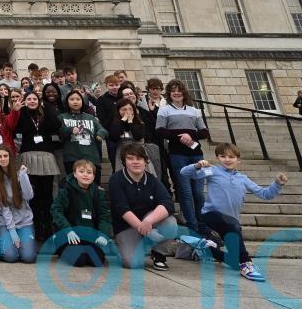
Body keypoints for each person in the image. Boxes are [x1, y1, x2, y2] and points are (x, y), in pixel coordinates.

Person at [180, 143, 288, 282]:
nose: (227, 159)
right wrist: (197, 165)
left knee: (232, 259)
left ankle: (206, 248)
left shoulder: (243, 179)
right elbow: (185, 172)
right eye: (222, 156)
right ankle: (246, 264)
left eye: (231, 157)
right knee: (238, 245)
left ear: (238, 160)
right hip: (211, 215)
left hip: (231, 223)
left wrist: (277, 184)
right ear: (218, 158)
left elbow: (265, 194)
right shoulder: (212, 171)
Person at [107, 143, 178, 270]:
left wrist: (148, 221)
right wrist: (144, 229)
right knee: (133, 263)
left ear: (145, 162)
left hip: (148, 222)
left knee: (170, 224)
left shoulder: (152, 180)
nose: (135, 162)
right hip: (126, 226)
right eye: (130, 158)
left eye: (139, 158)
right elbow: (122, 208)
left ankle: (158, 254)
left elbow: (168, 204)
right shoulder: (116, 180)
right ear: (124, 162)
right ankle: (130, 246)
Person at [156, 79, 210, 236]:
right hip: (178, 155)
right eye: (173, 90)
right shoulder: (164, 110)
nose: (176, 93)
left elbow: (204, 132)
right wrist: (179, 136)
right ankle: (192, 225)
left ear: (184, 92)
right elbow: (159, 130)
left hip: (196, 155)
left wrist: (190, 135)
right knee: (185, 194)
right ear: (169, 93)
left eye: (179, 90)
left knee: (199, 194)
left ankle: (202, 224)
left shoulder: (194, 110)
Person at [15, 91, 61, 240]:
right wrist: (18, 110)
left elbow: (56, 125)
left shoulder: (46, 113)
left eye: (35, 99)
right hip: (28, 156)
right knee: (31, 195)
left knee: (46, 194)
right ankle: (35, 226)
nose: (32, 101)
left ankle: (47, 227)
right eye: (29, 99)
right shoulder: (22, 113)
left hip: (46, 156)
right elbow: (18, 129)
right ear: (25, 101)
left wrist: (46, 106)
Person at [50, 160, 112, 267]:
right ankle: (61, 248)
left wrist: (103, 234)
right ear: (75, 173)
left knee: (96, 261)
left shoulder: (98, 193)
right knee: (79, 260)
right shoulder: (66, 191)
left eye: (89, 172)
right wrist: (67, 230)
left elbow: (104, 216)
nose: (85, 175)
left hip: (91, 236)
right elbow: (56, 210)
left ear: (93, 176)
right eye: (81, 171)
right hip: (71, 235)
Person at [0, 145, 37, 263]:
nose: (2, 159)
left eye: (5, 156)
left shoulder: (20, 173)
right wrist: (12, 231)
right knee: (10, 257)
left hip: (24, 221)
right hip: (6, 224)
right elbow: (3, 208)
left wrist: (23, 176)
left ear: (10, 157)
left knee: (28, 257)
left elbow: (28, 196)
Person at [59, 90, 107, 185]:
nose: (75, 101)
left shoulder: (90, 117)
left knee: (94, 188)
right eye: (72, 99)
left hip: (91, 157)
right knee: (73, 188)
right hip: (72, 158)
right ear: (67, 102)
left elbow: (103, 129)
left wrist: (100, 134)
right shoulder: (61, 117)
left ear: (82, 101)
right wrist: (70, 130)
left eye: (78, 99)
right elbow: (60, 133)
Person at [108, 99, 157, 176]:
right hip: (122, 154)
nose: (127, 112)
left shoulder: (140, 122)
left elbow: (138, 136)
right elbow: (113, 137)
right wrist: (123, 120)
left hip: (139, 152)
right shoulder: (116, 123)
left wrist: (130, 122)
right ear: (118, 111)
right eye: (123, 109)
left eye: (130, 109)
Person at [94, 75, 121, 168]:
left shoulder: (123, 97)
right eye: (111, 85)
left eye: (117, 85)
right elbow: (102, 118)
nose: (114, 87)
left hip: (125, 134)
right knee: (115, 161)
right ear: (106, 86)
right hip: (112, 136)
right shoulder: (102, 100)